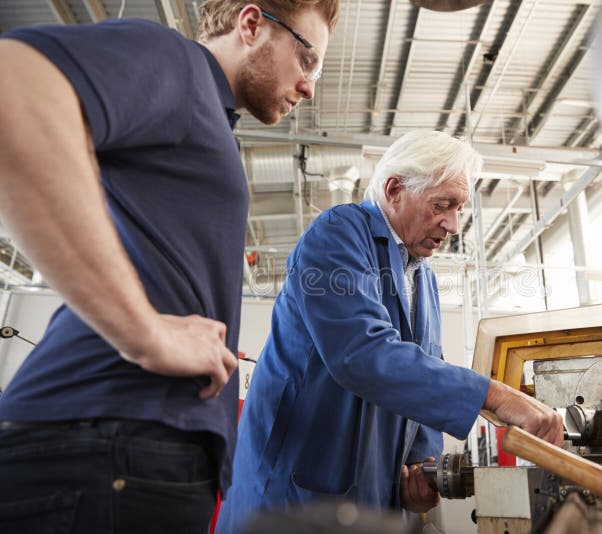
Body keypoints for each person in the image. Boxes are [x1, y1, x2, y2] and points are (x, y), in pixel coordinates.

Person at [0, 1, 337, 531]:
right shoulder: (178, 64)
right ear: (251, 24)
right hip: (109, 444)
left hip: (129, 450)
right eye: (307, 59)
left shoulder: (205, 114)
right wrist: (144, 333)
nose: (309, 87)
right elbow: (16, 87)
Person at [217, 130, 563, 530]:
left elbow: (424, 370)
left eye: (459, 208)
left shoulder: (424, 277)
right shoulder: (338, 234)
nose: (452, 224)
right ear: (395, 190)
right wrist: (495, 396)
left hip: (368, 495)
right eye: (442, 205)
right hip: (290, 493)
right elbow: (363, 354)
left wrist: (420, 466)